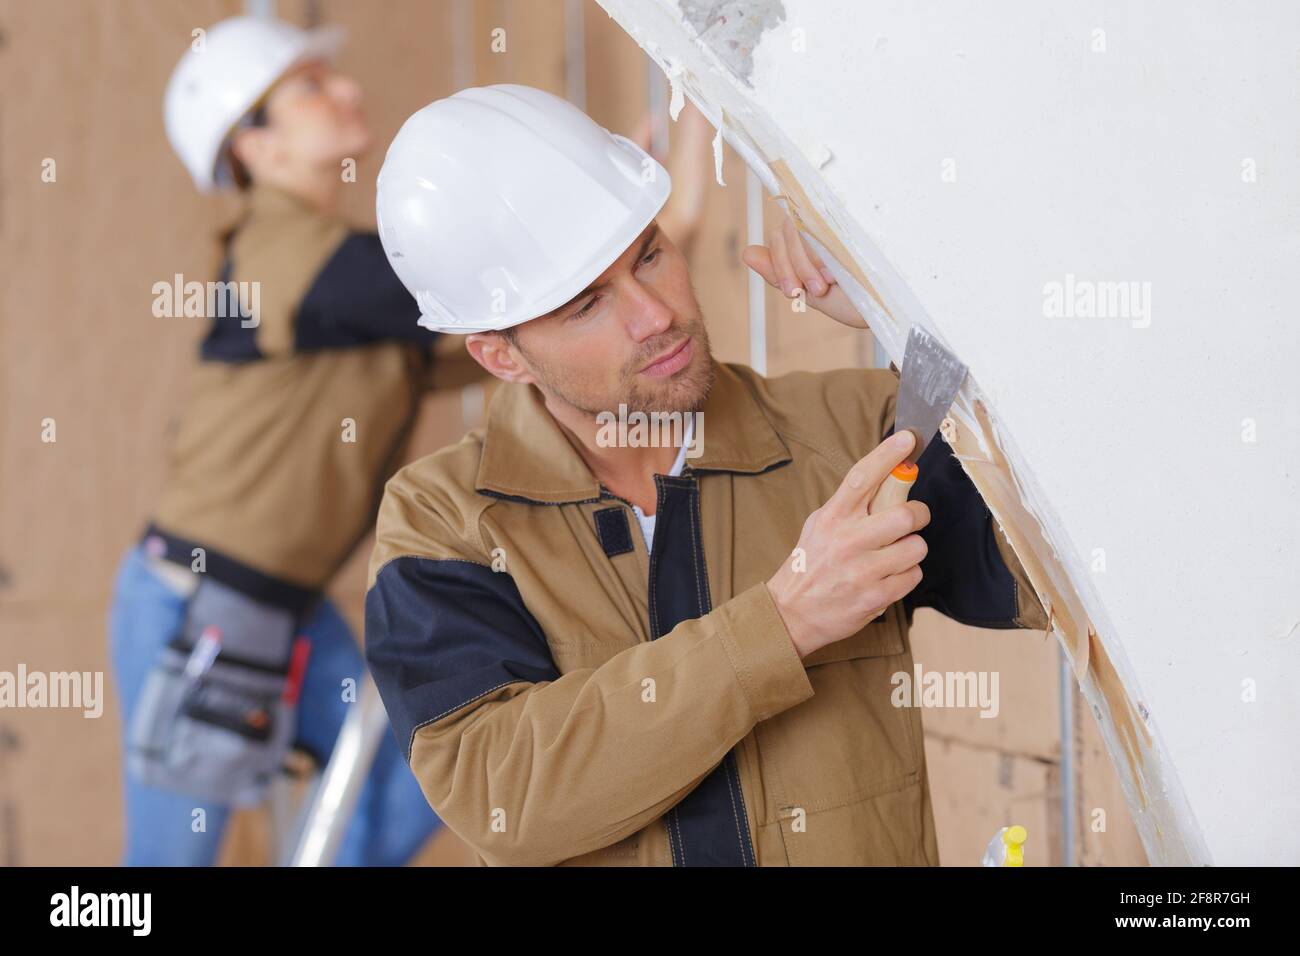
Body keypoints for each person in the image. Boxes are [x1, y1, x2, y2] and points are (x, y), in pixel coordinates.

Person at [363, 84, 1049, 866]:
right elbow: (506, 797)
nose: (654, 315)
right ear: (500, 354)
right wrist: (782, 624)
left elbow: (1064, 566)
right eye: (587, 304)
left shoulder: (846, 435)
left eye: (650, 255)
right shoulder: (445, 520)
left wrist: (920, 314)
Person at [108, 16, 478, 866]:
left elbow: (492, 329)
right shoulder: (282, 254)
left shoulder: (347, 286)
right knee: (164, 872)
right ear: (256, 148)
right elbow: (438, 290)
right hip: (193, 608)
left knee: (419, 771)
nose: (346, 91)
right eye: (309, 88)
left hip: (288, 609)